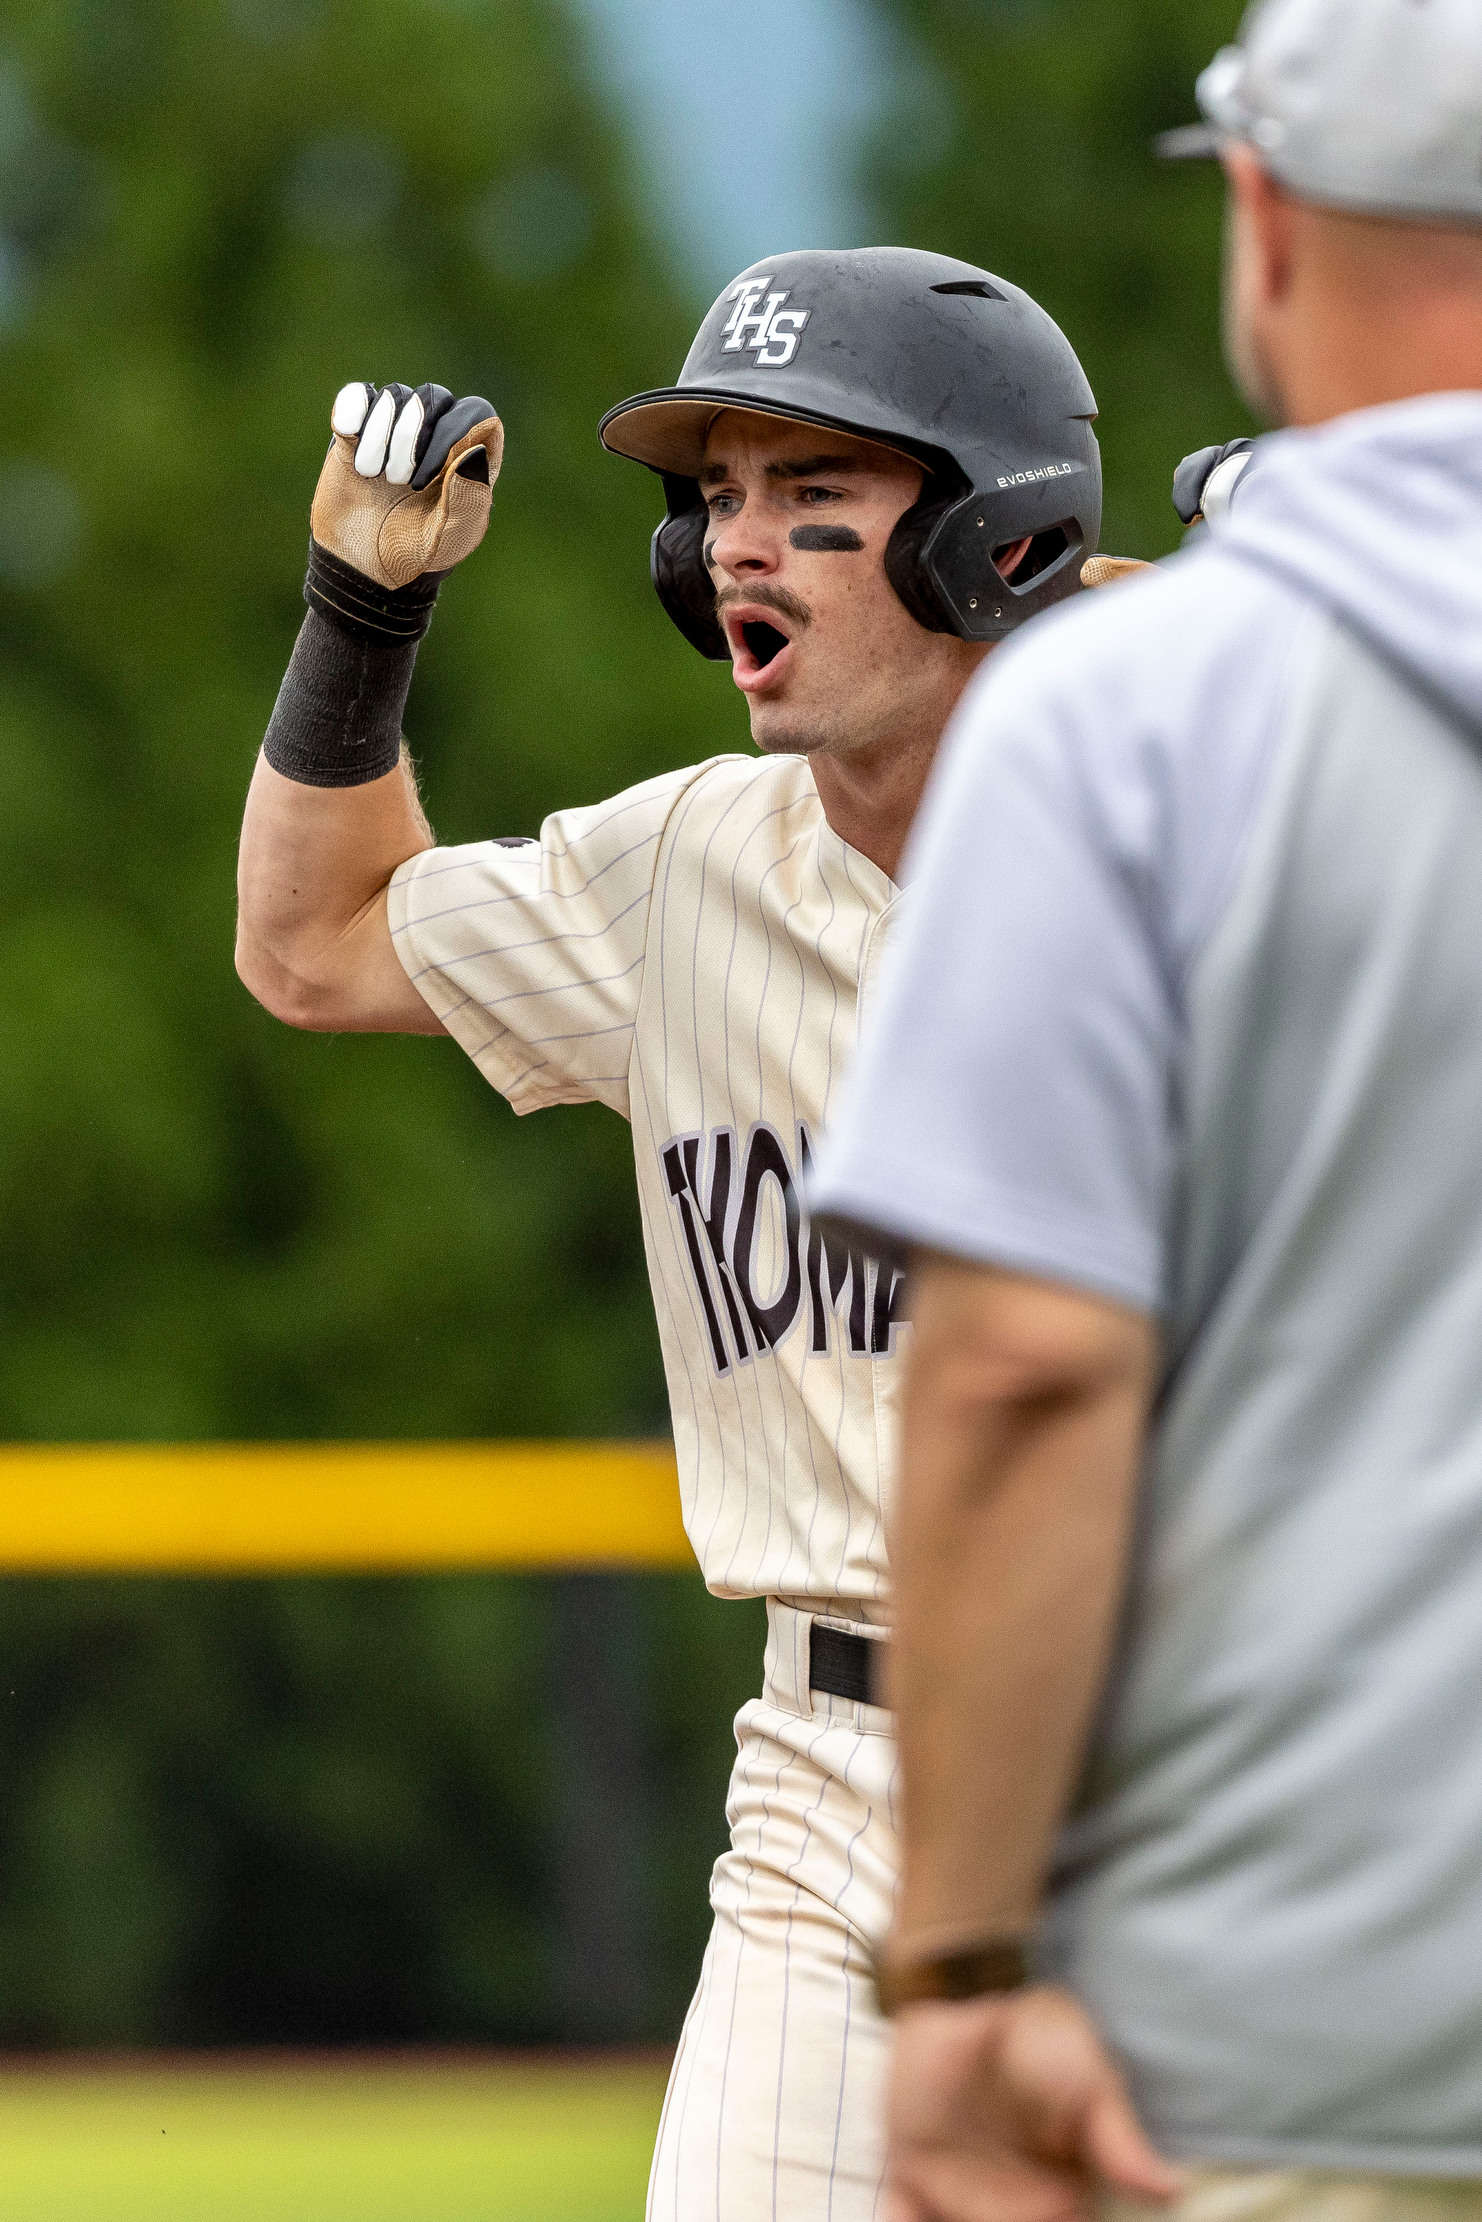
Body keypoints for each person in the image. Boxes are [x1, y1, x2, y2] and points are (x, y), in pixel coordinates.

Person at [233, 246, 1114, 2217]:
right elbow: (312, 946)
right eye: (714, 499)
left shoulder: (1211, 835)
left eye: (817, 492)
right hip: (834, 1785)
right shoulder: (686, 867)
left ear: (989, 534)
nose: (739, 546)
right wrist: (362, 609)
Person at [810, 5, 1482, 2220]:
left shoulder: (1131, 710)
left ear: (1265, 220)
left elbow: (1022, 1374)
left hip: (1293, 2029)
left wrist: (958, 1966)